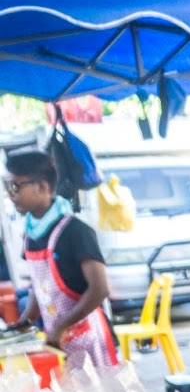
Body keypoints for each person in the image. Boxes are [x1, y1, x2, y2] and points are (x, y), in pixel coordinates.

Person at [4, 150, 117, 367]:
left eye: (15, 186)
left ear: (42, 187)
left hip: (89, 337)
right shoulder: (31, 234)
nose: (10, 194)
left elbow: (100, 288)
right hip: (58, 340)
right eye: (7, 187)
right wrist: (23, 325)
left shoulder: (75, 231)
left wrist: (62, 326)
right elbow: (40, 287)